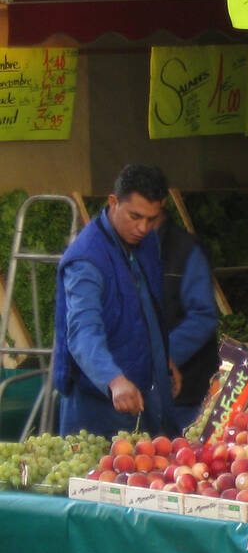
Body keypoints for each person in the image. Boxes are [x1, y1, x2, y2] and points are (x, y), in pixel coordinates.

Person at [53, 164, 180, 438]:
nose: (143, 227)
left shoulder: (145, 244)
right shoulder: (86, 260)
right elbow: (82, 332)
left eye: (151, 219)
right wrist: (114, 379)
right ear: (113, 202)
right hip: (97, 404)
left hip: (145, 393)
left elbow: (146, 309)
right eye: (135, 216)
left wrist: (161, 360)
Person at [158, 217, 221, 434]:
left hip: (188, 387)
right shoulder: (123, 250)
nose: (139, 227)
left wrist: (161, 356)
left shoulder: (186, 250)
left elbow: (203, 315)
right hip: (146, 390)